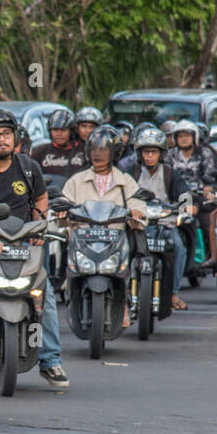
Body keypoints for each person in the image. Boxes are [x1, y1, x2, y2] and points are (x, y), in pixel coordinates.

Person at [0, 108, 69, 389]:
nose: (1, 140)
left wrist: (40, 229)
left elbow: (42, 198)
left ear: (15, 137)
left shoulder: (28, 167)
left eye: (6, 134)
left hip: (23, 244)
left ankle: (51, 361)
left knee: (46, 296)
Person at [61, 128, 147, 326]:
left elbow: (138, 205)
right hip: (82, 242)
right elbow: (63, 205)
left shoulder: (126, 182)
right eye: (94, 150)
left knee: (126, 267)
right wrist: (61, 212)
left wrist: (137, 212)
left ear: (114, 153)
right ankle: (71, 297)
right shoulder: (76, 180)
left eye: (104, 150)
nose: (98, 154)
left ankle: (124, 301)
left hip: (114, 243)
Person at [131, 126, 198, 310]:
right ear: (139, 153)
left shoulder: (170, 173)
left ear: (161, 153)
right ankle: (124, 291)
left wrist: (188, 205)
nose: (150, 156)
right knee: (124, 248)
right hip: (137, 224)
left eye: (153, 152)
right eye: (146, 152)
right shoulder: (132, 173)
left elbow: (184, 193)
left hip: (164, 223)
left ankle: (173, 293)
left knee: (178, 247)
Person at [30, 109, 88, 180]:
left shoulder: (85, 150)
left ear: (71, 131)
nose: (59, 134)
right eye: (55, 130)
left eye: (63, 130)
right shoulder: (40, 152)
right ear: (50, 131)